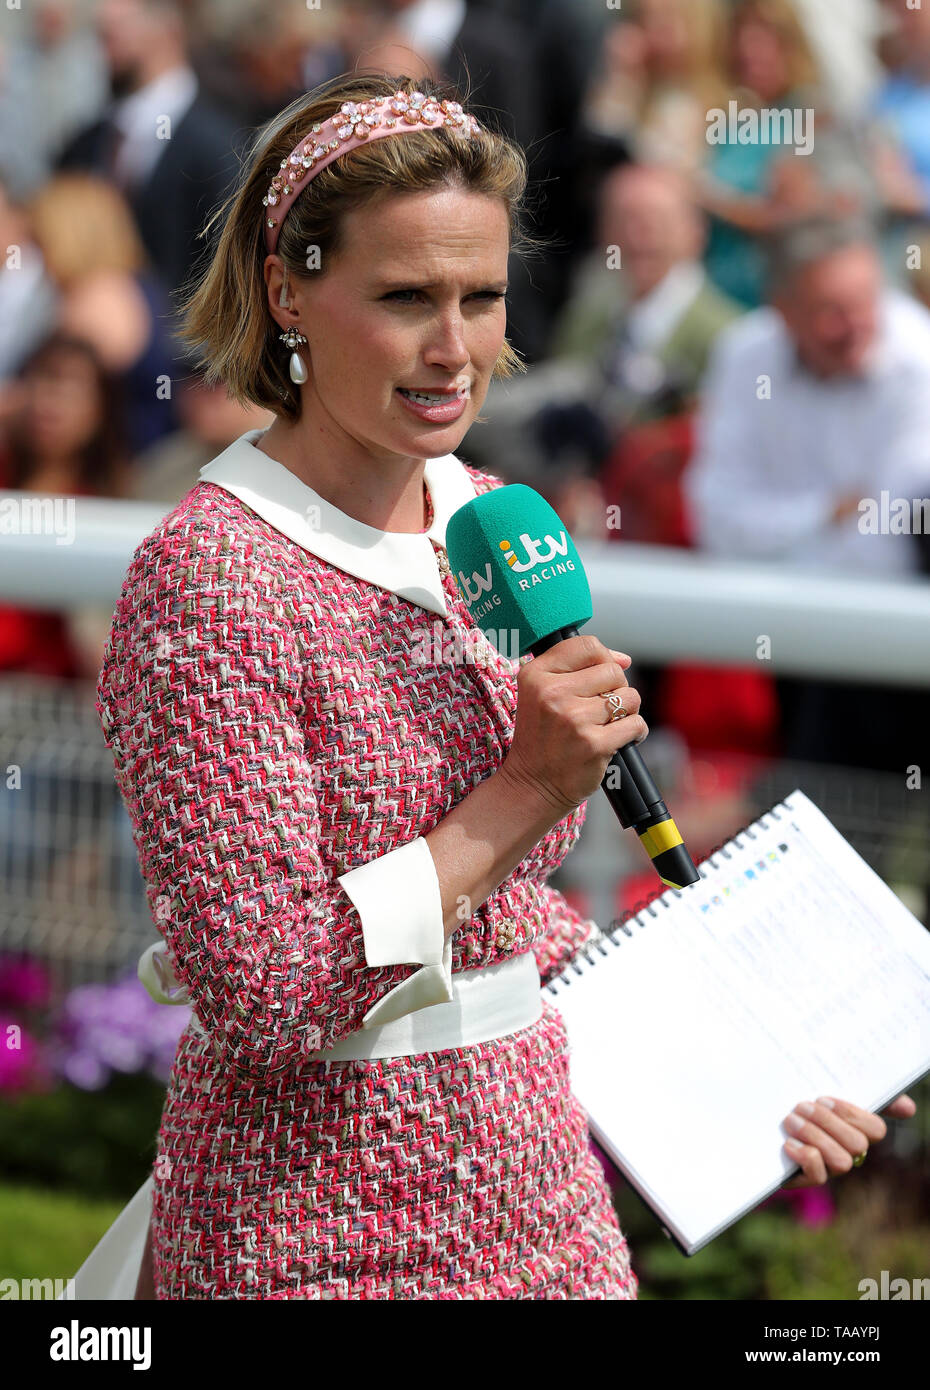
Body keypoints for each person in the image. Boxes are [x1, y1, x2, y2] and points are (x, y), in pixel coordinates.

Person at [72, 73, 913, 1301]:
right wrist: (526, 787)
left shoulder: (482, 511)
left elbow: (514, 926)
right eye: (406, 298)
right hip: (308, 1228)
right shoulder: (210, 576)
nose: (455, 349)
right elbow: (265, 991)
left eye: (480, 296)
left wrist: (760, 1056)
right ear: (286, 290)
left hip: (544, 1201)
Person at [683, 214, 930, 772]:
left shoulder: (920, 357)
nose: (858, 324)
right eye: (832, 311)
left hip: (897, 654)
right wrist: (825, 513)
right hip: (780, 640)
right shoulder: (745, 355)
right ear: (783, 309)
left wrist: (784, 535)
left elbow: (890, 548)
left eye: (867, 300)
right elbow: (714, 521)